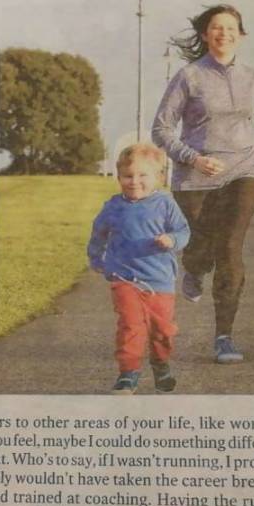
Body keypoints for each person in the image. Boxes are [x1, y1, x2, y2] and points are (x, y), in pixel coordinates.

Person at [151, 4, 254, 364]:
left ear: (241, 35)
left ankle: (224, 337)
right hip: (195, 176)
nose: (224, 34)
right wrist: (193, 158)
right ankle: (195, 267)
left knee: (230, 247)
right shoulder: (188, 76)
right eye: (217, 27)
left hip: (245, 170)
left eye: (231, 28)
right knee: (201, 246)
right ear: (205, 34)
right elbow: (161, 129)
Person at [88, 144, 190, 394]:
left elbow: (183, 231)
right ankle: (128, 373)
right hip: (125, 278)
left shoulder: (165, 204)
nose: (134, 181)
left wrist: (172, 239)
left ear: (159, 177)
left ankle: (161, 364)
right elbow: (98, 234)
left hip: (160, 280)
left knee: (162, 330)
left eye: (143, 175)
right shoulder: (113, 206)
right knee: (131, 326)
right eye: (127, 176)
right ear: (119, 177)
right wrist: (96, 259)